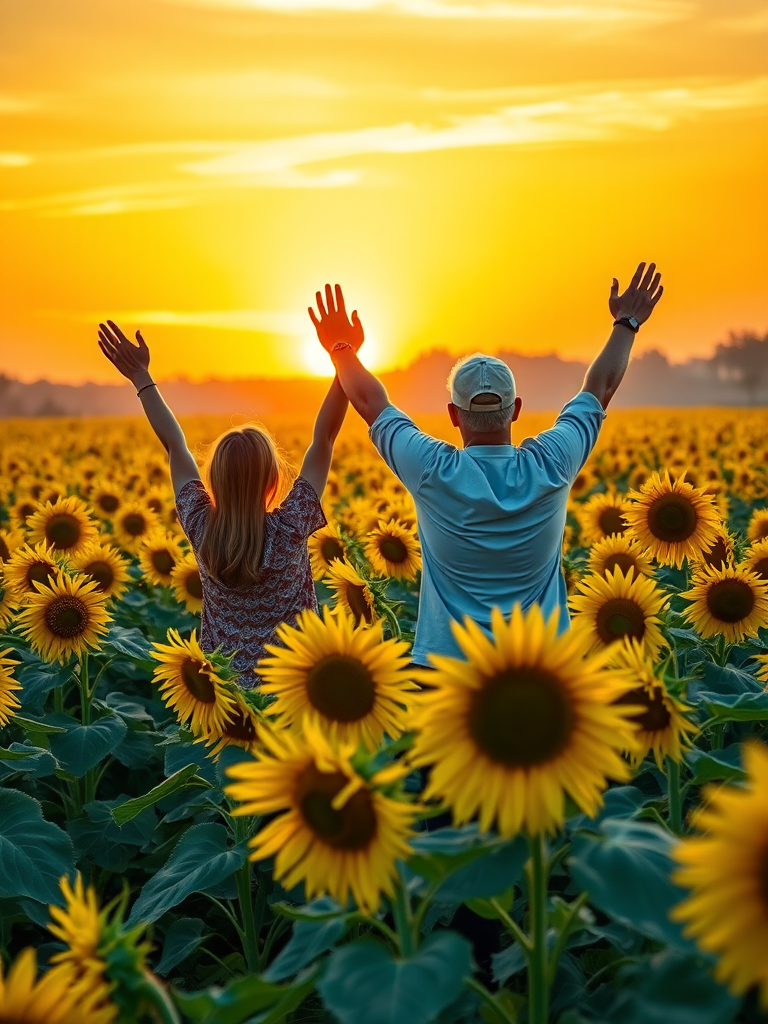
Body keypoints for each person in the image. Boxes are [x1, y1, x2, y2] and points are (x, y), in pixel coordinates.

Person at [308, 264, 664, 667]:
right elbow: (600, 388)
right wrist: (627, 323)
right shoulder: (552, 463)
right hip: (541, 678)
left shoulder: (432, 469)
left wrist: (341, 348)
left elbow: (371, 403)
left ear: (453, 415)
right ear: (515, 410)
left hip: (447, 673)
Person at [97, 318, 354, 684]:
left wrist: (141, 377)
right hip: (294, 692)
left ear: (214, 478)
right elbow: (324, 438)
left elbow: (174, 445)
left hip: (224, 697)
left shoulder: (201, 527)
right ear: (272, 480)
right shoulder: (291, 527)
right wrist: (344, 356)